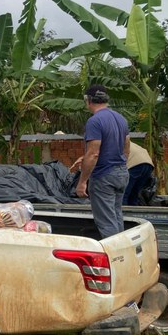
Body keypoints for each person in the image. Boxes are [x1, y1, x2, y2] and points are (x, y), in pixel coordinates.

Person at [75, 84, 130, 238]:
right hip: (121, 173)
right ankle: (122, 254)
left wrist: (82, 182)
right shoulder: (121, 119)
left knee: (106, 222)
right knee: (116, 215)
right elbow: (126, 147)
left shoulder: (95, 121)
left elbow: (93, 154)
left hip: (104, 176)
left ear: (88, 100)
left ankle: (114, 257)